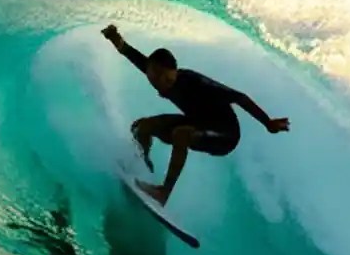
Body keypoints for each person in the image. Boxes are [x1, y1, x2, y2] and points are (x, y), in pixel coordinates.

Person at [101, 24, 290, 205]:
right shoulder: (155, 74)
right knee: (142, 127)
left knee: (181, 134)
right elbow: (135, 57)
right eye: (155, 77)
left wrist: (267, 122)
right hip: (197, 123)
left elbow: (240, 97)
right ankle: (141, 166)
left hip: (225, 135)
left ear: (175, 71)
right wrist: (116, 40)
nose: (161, 82)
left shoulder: (194, 82)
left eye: (166, 77)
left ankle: (163, 193)